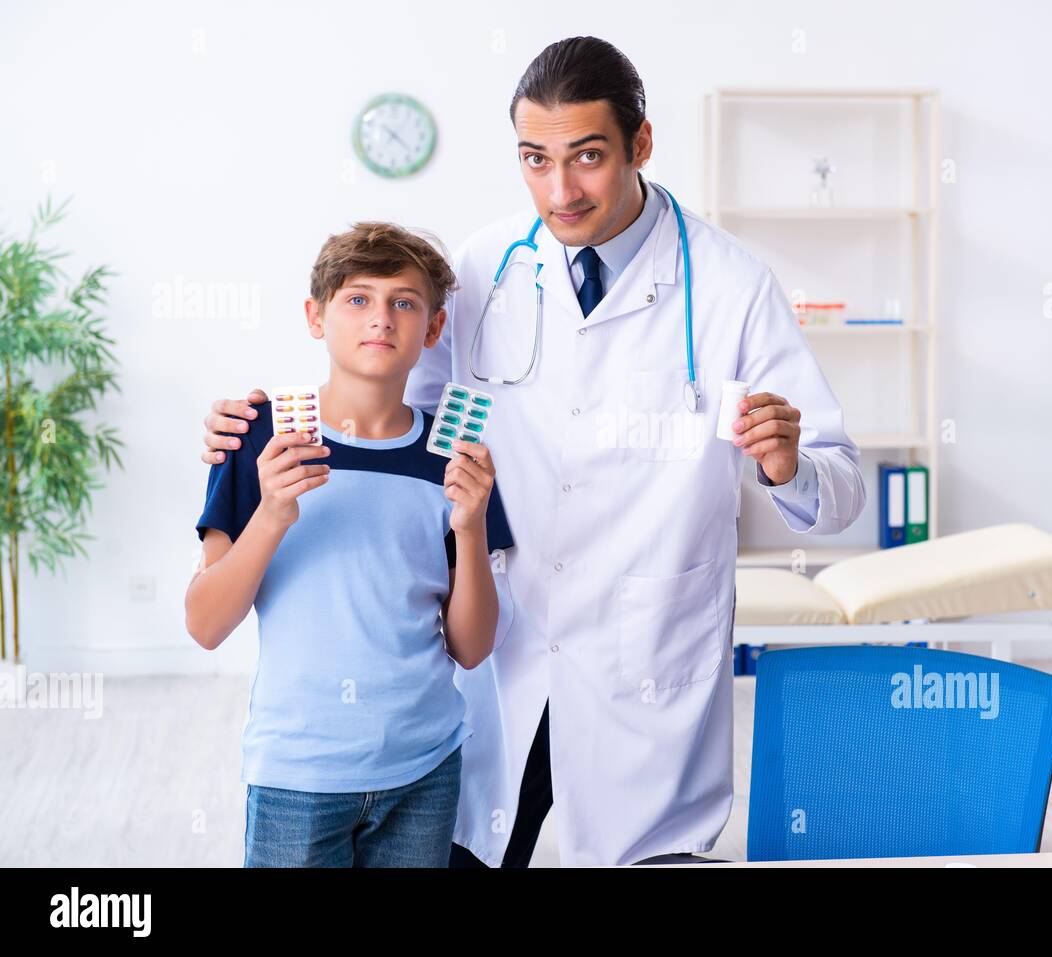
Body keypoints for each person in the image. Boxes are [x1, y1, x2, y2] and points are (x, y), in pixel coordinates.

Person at [201, 37, 864, 867]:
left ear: (641, 144)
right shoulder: (485, 265)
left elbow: (841, 488)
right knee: (483, 845)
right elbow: (395, 402)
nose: (561, 190)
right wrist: (255, 423)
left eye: (587, 158)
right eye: (535, 159)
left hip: (647, 660)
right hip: (497, 654)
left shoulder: (731, 286)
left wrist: (788, 463)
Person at [186, 222, 515, 866]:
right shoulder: (259, 441)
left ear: (434, 327)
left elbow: (472, 649)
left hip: (425, 767)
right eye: (357, 299)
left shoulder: (456, 456)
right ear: (316, 316)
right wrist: (274, 512)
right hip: (298, 770)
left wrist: (470, 526)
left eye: (404, 302)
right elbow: (204, 624)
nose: (381, 319)